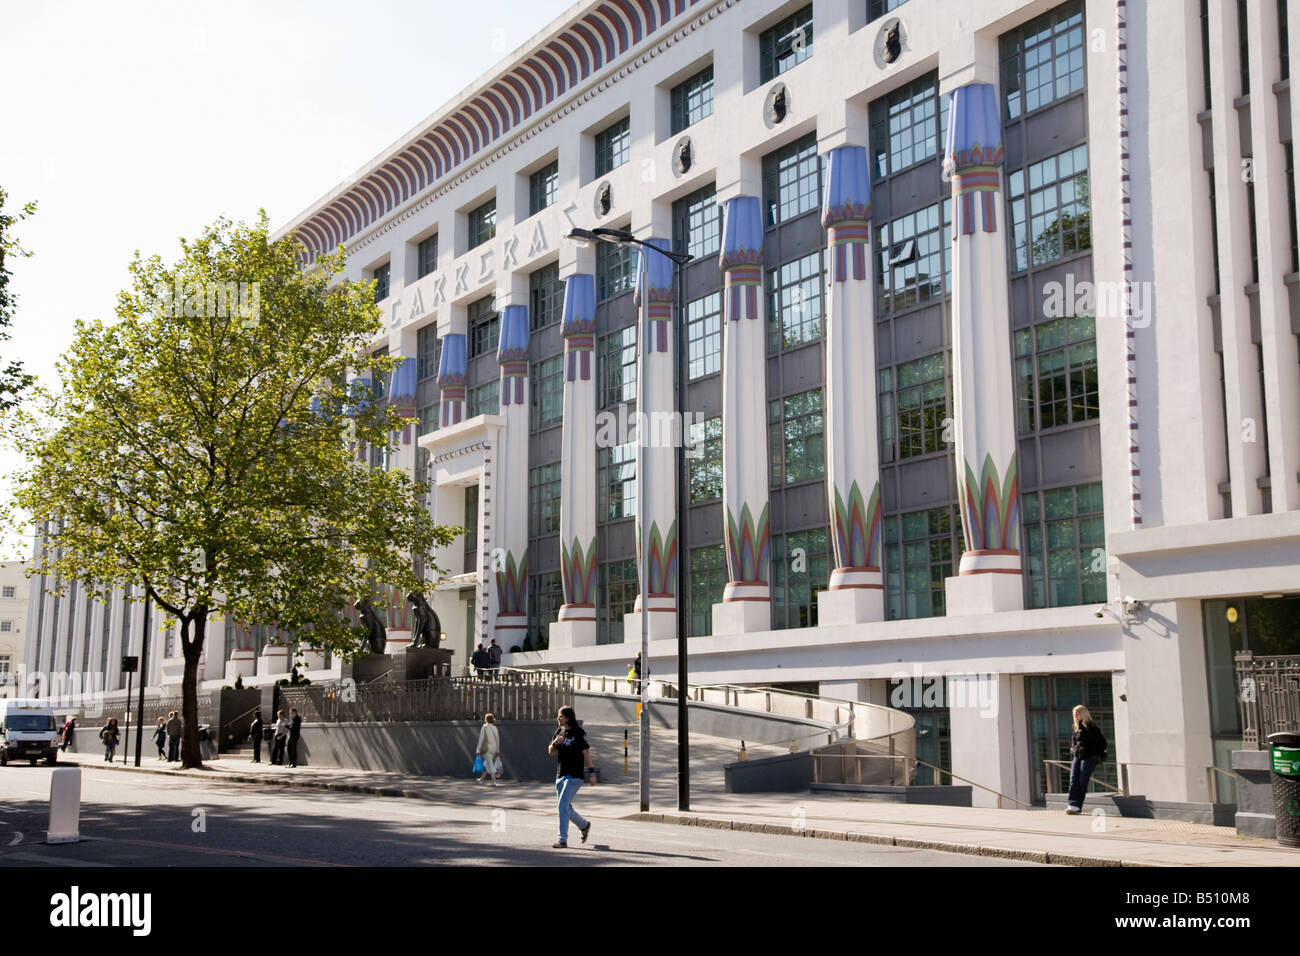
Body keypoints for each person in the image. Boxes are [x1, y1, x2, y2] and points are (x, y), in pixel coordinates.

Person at [547, 705, 595, 848]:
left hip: (574, 776)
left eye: (560, 716)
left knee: (562, 806)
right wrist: (554, 743)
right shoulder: (559, 732)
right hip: (560, 775)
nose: (558, 718)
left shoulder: (578, 733)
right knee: (566, 807)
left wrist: (591, 773)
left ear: (568, 718)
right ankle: (584, 825)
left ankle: (562, 840)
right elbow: (550, 752)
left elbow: (586, 753)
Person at [1065, 704, 1108, 814]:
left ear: (1083, 714)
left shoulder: (1092, 728)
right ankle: (1072, 805)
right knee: (1073, 780)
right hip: (1078, 756)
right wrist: (1073, 750)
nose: (1075, 716)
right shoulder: (1076, 728)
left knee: (1082, 781)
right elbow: (1074, 743)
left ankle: (1077, 806)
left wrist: (1093, 753)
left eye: (1077, 714)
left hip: (1089, 757)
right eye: (1074, 714)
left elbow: (1102, 743)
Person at [476, 712, 501, 786]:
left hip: (486, 749)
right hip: (493, 749)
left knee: (490, 765)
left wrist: (478, 750)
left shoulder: (484, 727)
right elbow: (497, 739)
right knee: (486, 764)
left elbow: (481, 739)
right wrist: (497, 750)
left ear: (486, 719)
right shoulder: (495, 728)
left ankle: (494, 782)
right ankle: (481, 778)